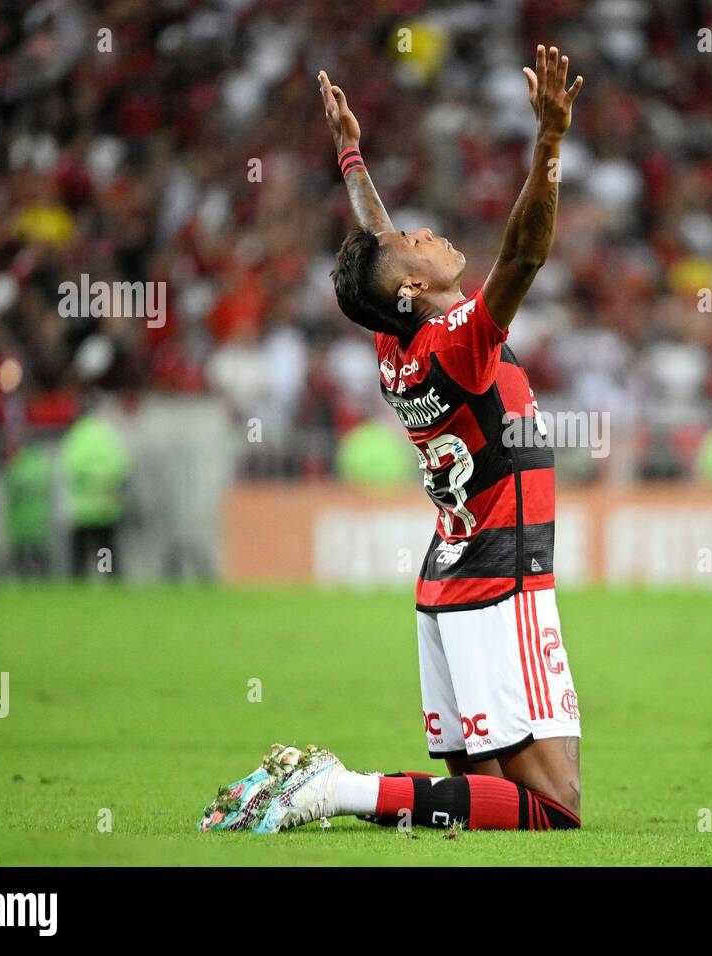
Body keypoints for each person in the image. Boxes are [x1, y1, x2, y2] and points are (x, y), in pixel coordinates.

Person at [201, 45, 585, 833]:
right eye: (416, 239)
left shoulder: (397, 343)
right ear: (414, 288)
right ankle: (335, 789)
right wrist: (549, 142)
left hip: (446, 577)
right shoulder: (454, 342)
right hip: (501, 573)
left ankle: (333, 790)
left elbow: (376, 248)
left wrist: (351, 155)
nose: (427, 232)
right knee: (554, 808)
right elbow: (524, 252)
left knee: (480, 806)